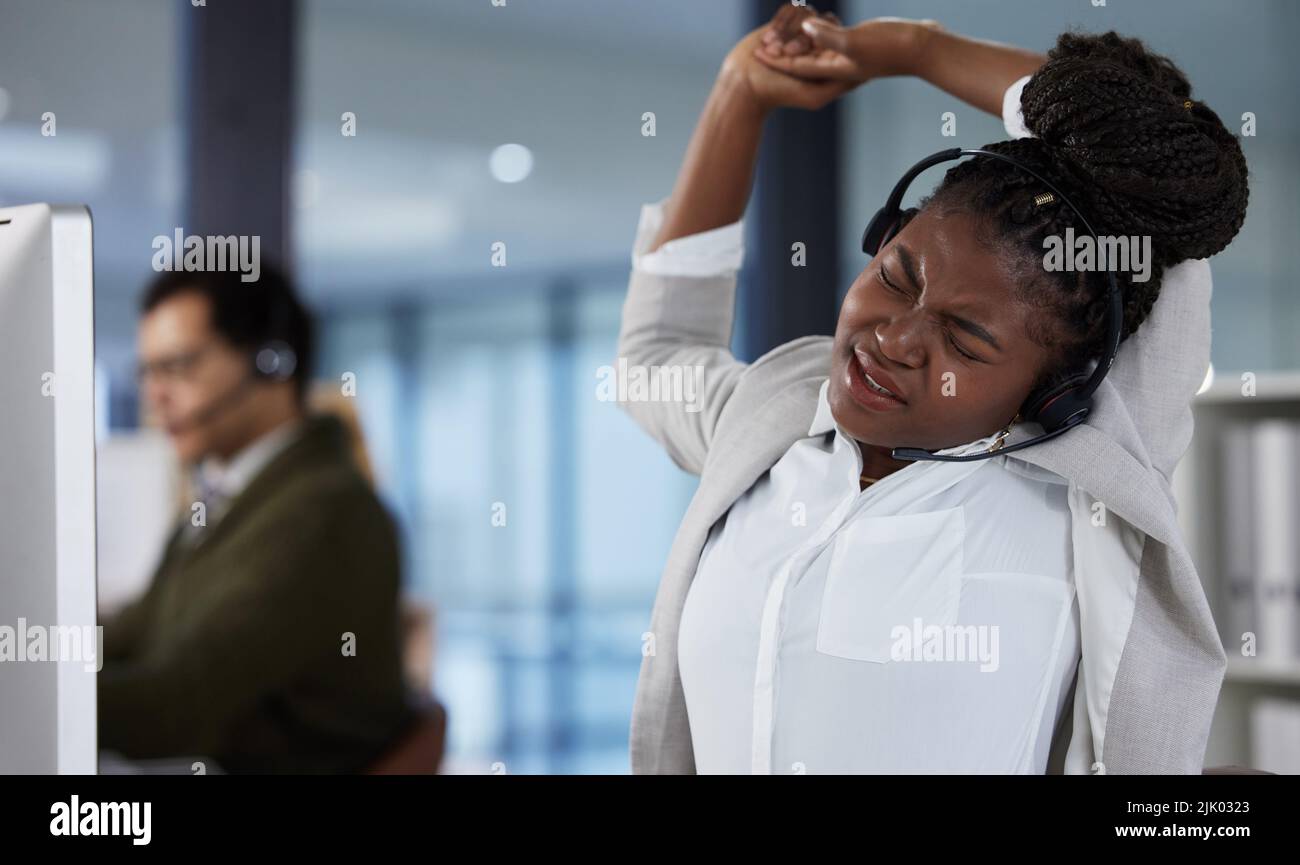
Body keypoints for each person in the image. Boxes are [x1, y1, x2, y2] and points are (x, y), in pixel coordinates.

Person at [618, 7, 1247, 773]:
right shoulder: (778, 411)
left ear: (1049, 392)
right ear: (881, 238)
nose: (897, 339)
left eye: (965, 339)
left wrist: (914, 49)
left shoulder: (1088, 483)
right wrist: (739, 96)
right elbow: (659, 353)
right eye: (896, 277)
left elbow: (1168, 175)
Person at [99, 265, 411, 773]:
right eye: (148, 372)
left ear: (272, 363)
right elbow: (136, 633)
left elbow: (177, 707)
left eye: (179, 366)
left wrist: (24, 691)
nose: (155, 395)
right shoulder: (230, 496)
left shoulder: (323, 512)